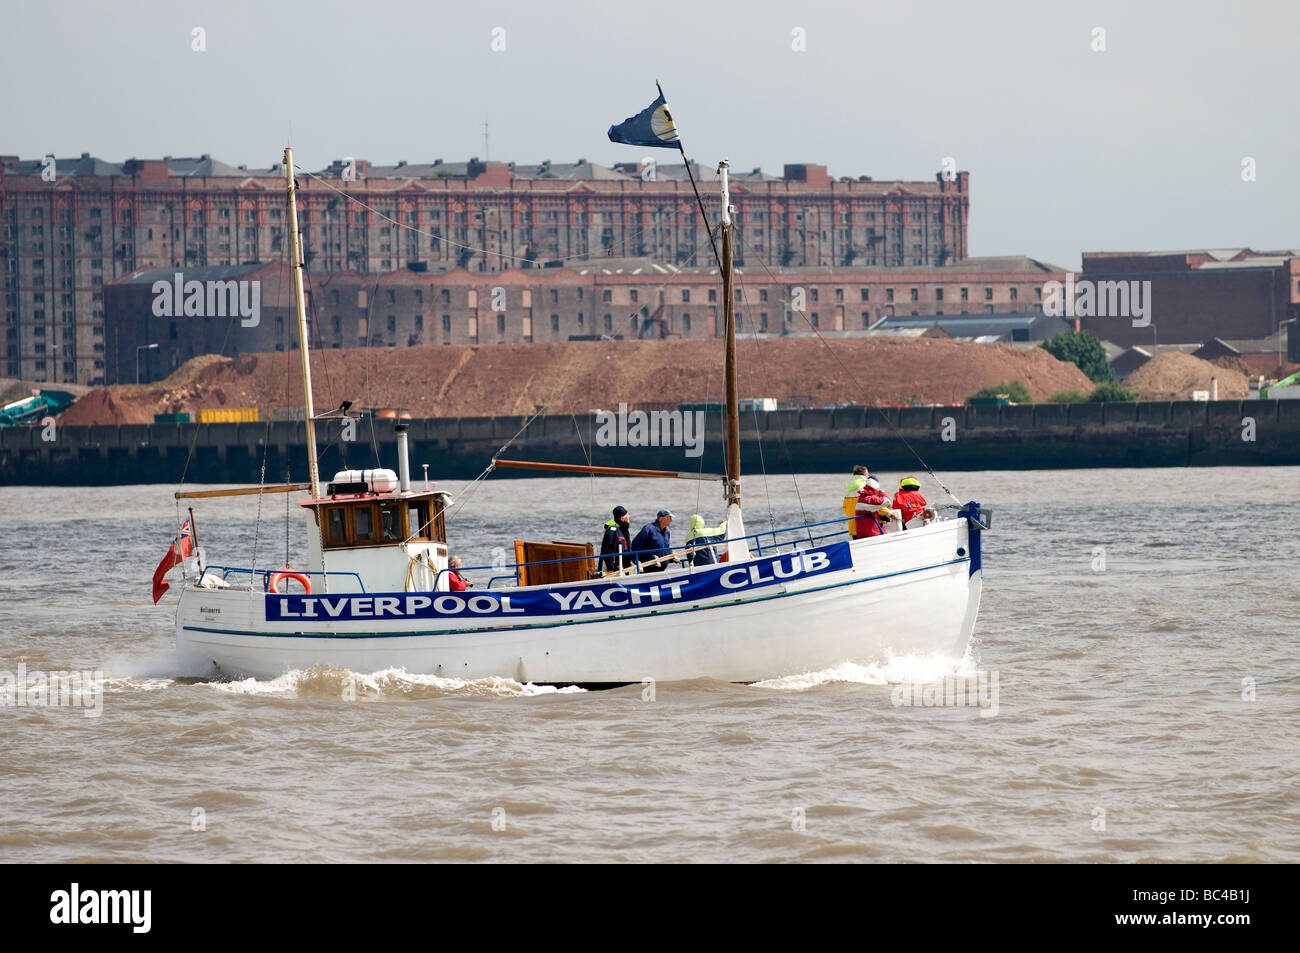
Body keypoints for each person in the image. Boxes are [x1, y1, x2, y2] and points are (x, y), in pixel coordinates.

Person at [599, 505, 633, 573]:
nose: (629, 516)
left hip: (625, 566)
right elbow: (608, 550)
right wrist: (610, 568)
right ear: (622, 518)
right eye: (627, 514)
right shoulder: (613, 530)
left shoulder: (624, 529)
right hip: (615, 569)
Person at [843, 464, 869, 538]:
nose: (868, 475)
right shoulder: (865, 487)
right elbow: (873, 504)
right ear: (864, 475)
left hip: (853, 528)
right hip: (866, 527)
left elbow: (845, 508)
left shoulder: (848, 493)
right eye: (867, 474)